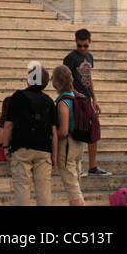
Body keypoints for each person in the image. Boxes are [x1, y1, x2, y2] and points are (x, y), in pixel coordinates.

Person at [3, 63, 57, 207]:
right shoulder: (49, 101)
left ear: (29, 79)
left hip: (22, 147)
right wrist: (54, 155)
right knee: (44, 190)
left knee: (22, 188)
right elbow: (54, 131)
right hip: (44, 149)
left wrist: (5, 146)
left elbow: (8, 125)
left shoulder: (17, 97)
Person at [63, 28, 108, 176]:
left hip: (86, 99)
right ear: (75, 42)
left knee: (93, 129)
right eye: (79, 45)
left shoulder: (89, 57)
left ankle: (93, 166)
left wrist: (94, 98)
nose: (82, 49)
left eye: (85, 46)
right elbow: (65, 79)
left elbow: (88, 79)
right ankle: (77, 165)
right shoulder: (70, 58)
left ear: (90, 43)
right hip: (75, 100)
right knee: (78, 131)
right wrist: (75, 93)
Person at [52, 63, 85, 207]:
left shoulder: (63, 102)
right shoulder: (76, 96)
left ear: (57, 82)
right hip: (79, 143)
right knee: (76, 184)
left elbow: (63, 131)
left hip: (67, 147)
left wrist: (53, 136)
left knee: (73, 189)